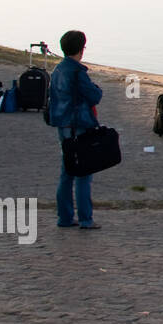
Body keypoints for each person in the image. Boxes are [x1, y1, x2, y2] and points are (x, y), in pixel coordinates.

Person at [48, 30, 103, 229]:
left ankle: (64, 217)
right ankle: (86, 219)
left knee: (67, 172)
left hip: (62, 124)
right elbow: (94, 96)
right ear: (81, 49)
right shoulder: (78, 72)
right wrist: (96, 89)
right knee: (83, 174)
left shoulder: (58, 70)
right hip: (78, 124)